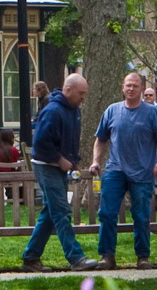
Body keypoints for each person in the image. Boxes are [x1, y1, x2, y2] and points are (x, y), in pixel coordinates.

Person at [88, 73, 157, 270]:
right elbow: (100, 139)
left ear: (142, 89)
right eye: (128, 85)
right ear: (122, 87)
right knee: (107, 213)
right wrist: (95, 161)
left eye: (135, 86)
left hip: (143, 172)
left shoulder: (152, 114)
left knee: (141, 215)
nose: (131, 89)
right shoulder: (112, 111)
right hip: (115, 169)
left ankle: (143, 257)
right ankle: (107, 256)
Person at [20, 73, 99, 272]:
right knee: (62, 212)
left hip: (58, 167)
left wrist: (73, 162)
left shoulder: (74, 111)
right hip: (46, 166)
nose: (83, 97)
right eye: (81, 93)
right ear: (68, 90)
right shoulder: (53, 111)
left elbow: (70, 140)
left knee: (50, 213)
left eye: (85, 94)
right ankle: (76, 257)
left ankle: (31, 257)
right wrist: (60, 159)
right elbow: (40, 143)